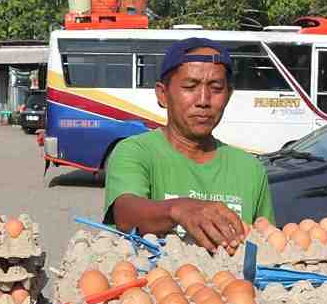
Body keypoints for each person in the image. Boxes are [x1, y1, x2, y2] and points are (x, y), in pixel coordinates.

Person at [104, 37, 276, 253]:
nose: (203, 100)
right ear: (163, 94)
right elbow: (125, 213)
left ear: (228, 96)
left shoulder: (249, 169)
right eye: (190, 86)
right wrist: (179, 210)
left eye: (216, 88)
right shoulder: (136, 152)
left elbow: (267, 240)